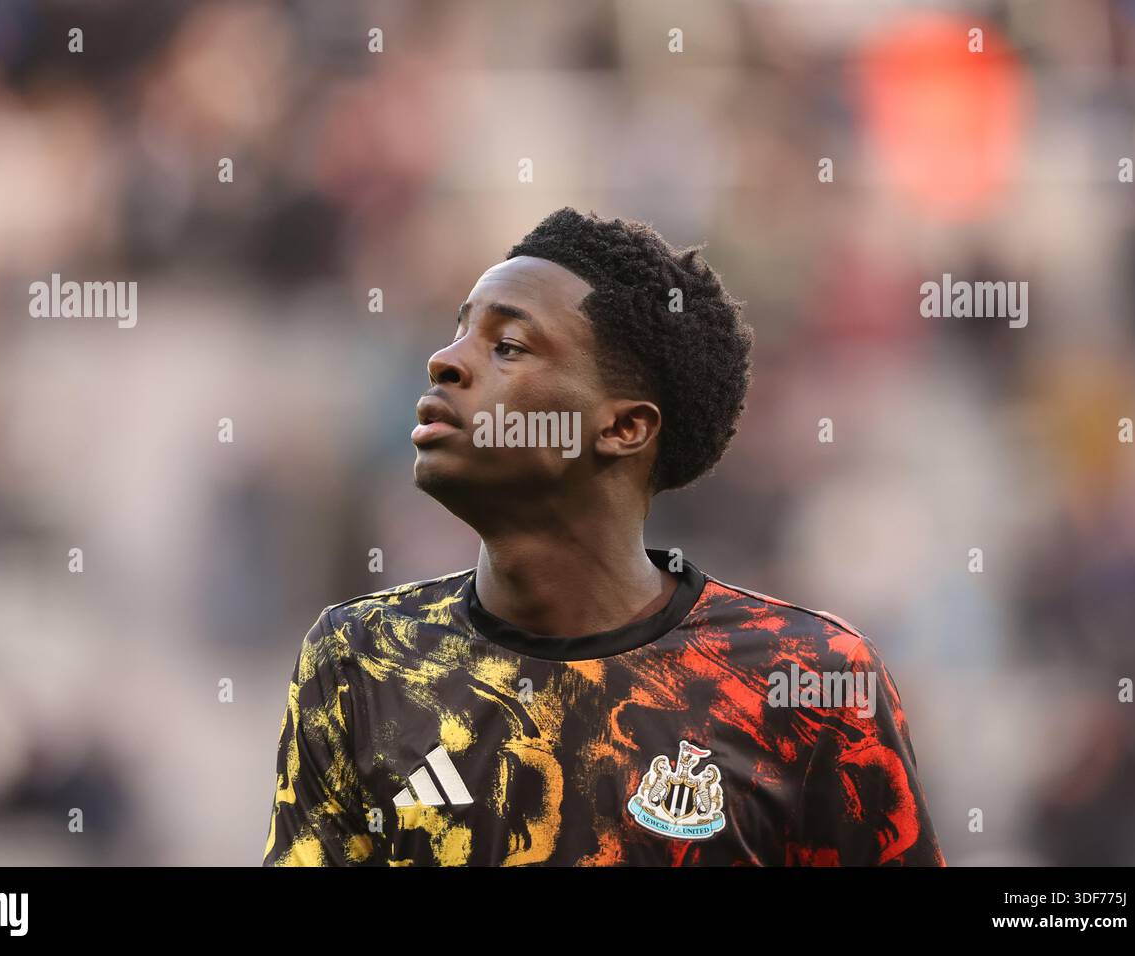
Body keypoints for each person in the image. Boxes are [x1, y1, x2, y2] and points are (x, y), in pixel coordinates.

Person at [263, 207, 945, 866]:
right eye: (458, 332)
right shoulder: (361, 662)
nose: (443, 361)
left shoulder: (807, 682)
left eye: (506, 346)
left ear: (624, 428)